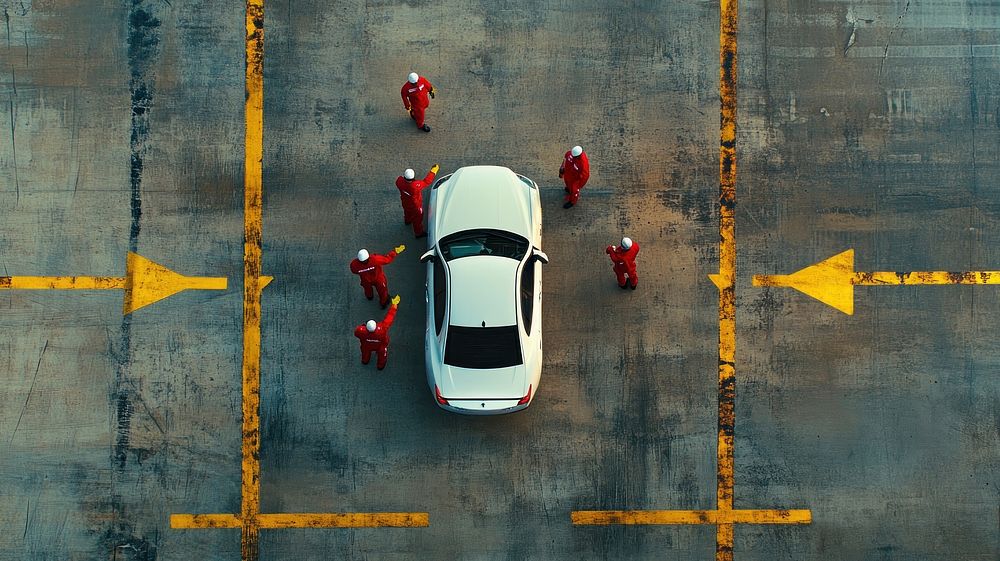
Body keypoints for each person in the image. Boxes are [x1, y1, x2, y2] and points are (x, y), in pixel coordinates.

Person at [354, 295, 400, 370]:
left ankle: (365, 360)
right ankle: (380, 366)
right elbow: (390, 317)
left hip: (366, 346)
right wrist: (394, 305)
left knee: (365, 352)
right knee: (382, 355)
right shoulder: (382, 329)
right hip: (380, 346)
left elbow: (356, 333)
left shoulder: (361, 331)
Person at [396, 164, 440, 238]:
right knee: (417, 219)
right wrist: (433, 171)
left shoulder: (399, 181)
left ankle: (407, 221)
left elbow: (399, 179)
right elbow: (427, 181)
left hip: (405, 202)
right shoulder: (415, 186)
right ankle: (418, 233)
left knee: (407, 212)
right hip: (415, 206)